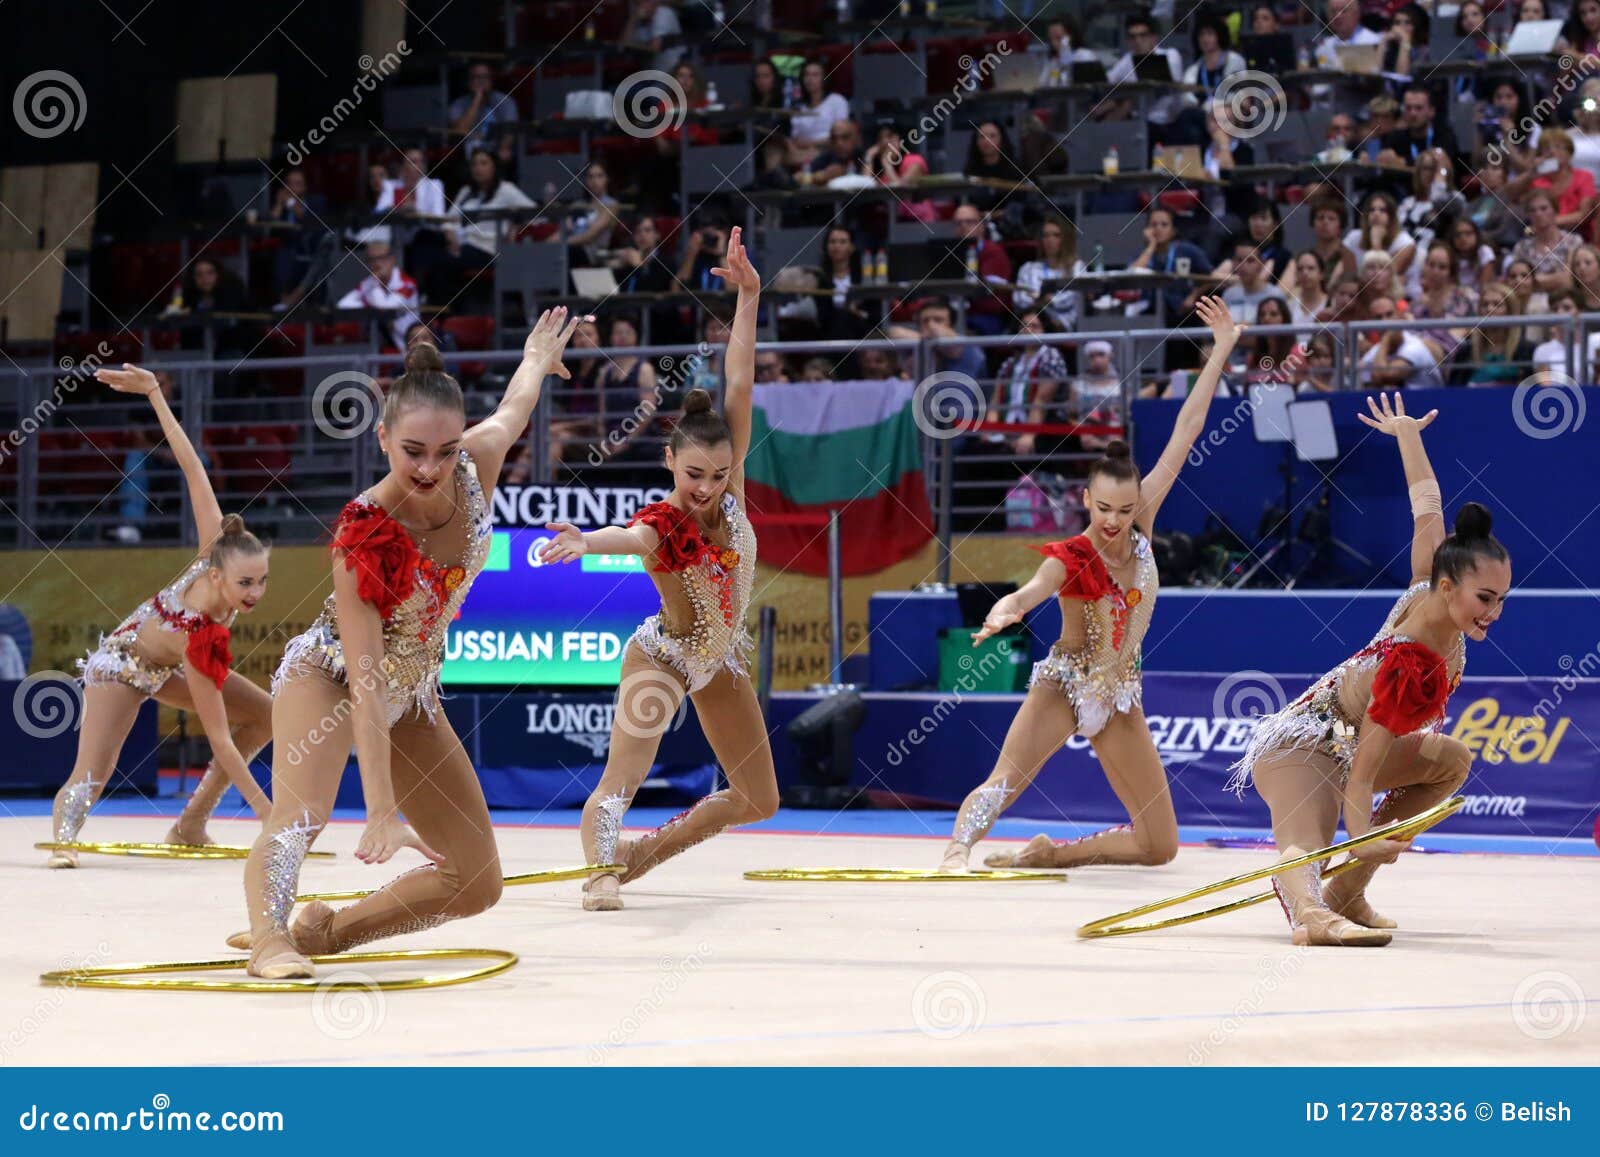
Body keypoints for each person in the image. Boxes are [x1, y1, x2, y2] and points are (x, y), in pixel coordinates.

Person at [236, 309, 587, 978]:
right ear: (382, 438)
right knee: (302, 815)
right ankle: (269, 939)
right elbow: (365, 680)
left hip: (412, 691)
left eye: (446, 449)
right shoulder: (365, 532)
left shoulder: (476, 464)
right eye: (413, 451)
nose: (431, 467)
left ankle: (329, 933)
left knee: (477, 879)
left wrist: (537, 358)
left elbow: (515, 406)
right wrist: (379, 810)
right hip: (332, 676)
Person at [943, 298, 1246, 873]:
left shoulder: (1140, 523)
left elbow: (1187, 430)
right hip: (1065, 684)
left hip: (1121, 695)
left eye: (1126, 509)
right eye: (1105, 507)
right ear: (1086, 499)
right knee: (1007, 779)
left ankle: (1048, 856)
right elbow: (1031, 590)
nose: (1115, 519)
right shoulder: (1073, 555)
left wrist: (1223, 348)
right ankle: (958, 848)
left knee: (1161, 846)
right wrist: (1003, 610)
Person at [542, 227, 777, 911]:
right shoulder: (666, 521)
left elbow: (740, 376)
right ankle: (602, 866)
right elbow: (633, 535)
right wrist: (588, 542)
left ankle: (639, 855)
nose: (705, 486)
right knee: (624, 775)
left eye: (718, 474)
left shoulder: (729, 490)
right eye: (694, 474)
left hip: (721, 661)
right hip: (664, 656)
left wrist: (750, 297)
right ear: (670, 463)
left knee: (759, 796)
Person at [1227, 394, 1509, 946]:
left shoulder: (1431, 579)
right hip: (1300, 747)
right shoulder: (1411, 665)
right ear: (1451, 587)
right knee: (1307, 848)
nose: (1495, 613)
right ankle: (1311, 913)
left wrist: (1407, 434)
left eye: (1502, 599)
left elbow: (1426, 503)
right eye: (1486, 598)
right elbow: (1362, 776)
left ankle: (1347, 893)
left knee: (1451, 760)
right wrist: (1362, 839)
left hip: (1350, 746)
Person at [51, 365, 274, 867]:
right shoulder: (199, 628)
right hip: (121, 665)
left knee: (268, 714)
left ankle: (191, 823)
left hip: (166, 666)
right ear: (216, 576)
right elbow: (217, 738)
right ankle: (64, 836)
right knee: (94, 773)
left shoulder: (218, 547)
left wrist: (156, 392)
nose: (255, 592)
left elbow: (192, 466)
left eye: (262, 581)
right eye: (245, 584)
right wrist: (269, 816)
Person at [435, 149, 536, 306]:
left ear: (494, 166)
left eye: (483, 163)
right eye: (474, 164)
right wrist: (450, 236)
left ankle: (451, 311)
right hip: (462, 245)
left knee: (442, 264)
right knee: (431, 253)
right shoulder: (466, 191)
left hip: (489, 249)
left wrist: (515, 226)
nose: (478, 168)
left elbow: (536, 213)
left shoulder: (506, 190)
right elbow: (449, 219)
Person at [337, 242, 421, 349]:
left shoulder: (406, 283)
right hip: (382, 344)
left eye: (382, 258)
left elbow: (385, 308)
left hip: (408, 343)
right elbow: (343, 305)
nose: (377, 263)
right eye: (372, 259)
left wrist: (374, 288)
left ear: (392, 259)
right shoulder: (368, 283)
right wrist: (367, 303)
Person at [1013, 215, 1084, 332]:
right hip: (1033, 321)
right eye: (1045, 235)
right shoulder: (1028, 268)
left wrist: (1041, 299)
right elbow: (1020, 299)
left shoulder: (1077, 267)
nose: (1049, 240)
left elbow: (1068, 300)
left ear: (1066, 239)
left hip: (1063, 324)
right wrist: (1047, 300)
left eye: (1056, 235)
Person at [448, 62, 518, 157]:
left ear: (492, 80)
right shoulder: (458, 104)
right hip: (467, 153)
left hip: (497, 152)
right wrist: (477, 98)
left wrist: (504, 148)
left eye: (485, 77)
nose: (481, 81)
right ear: (469, 81)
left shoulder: (506, 101)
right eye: (476, 77)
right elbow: (460, 132)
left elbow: (510, 130)